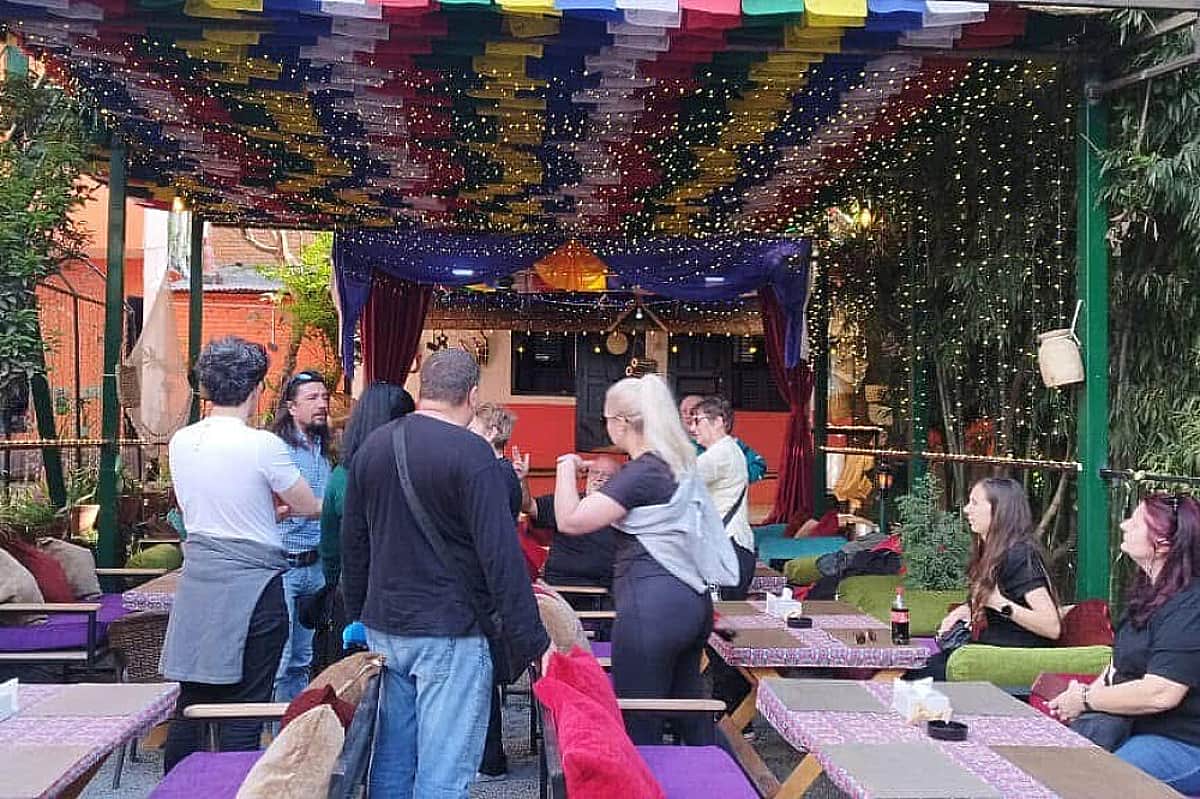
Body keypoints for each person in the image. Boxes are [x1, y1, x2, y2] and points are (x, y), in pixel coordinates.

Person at [341, 348, 549, 798]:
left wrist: (357, 612)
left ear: (423, 389)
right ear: (471, 395)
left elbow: (353, 544)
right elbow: (499, 555)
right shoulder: (472, 454)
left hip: (385, 625)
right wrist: (531, 638)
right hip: (451, 629)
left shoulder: (373, 446)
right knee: (444, 767)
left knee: (391, 761)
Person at [160, 336, 321, 772]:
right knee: (245, 707)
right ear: (256, 387)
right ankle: (234, 783)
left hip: (199, 584)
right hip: (255, 587)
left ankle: (180, 785)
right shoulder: (263, 445)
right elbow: (308, 505)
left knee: (193, 704)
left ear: (205, 388)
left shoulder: (181, 441)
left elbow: (211, 500)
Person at [554, 374, 738, 745]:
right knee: (690, 712)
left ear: (622, 423)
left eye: (607, 419)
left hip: (650, 610)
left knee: (640, 723)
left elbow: (570, 520)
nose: (606, 427)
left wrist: (564, 468)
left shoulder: (641, 472)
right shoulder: (675, 464)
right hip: (690, 603)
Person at [1049, 494, 1200, 793]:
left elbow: (1161, 693)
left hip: (1184, 742)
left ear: (1164, 543)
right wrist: (1083, 695)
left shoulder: (1191, 606)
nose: (1123, 525)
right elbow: (1118, 666)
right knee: (1056, 762)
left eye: (1136, 520)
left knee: (1095, 782)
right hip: (1132, 727)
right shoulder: (1147, 593)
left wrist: (1085, 700)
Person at [910, 477, 1062, 681]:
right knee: (912, 670)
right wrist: (964, 610)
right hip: (987, 653)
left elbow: (1051, 626)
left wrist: (1000, 604)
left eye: (974, 503)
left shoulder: (1018, 555)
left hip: (1009, 661)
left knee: (912, 678)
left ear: (999, 510)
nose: (966, 509)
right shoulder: (992, 553)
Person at [467, 401, 522, 780]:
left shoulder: (492, 475)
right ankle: (489, 754)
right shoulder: (508, 475)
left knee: (481, 673)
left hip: (484, 584)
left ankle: (490, 756)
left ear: (489, 431)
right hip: (494, 581)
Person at [270, 368, 333, 702]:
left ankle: (291, 736)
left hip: (315, 566)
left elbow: (308, 506)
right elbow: (305, 507)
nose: (322, 404)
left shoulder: (324, 448)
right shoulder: (279, 450)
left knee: (302, 660)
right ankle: (270, 739)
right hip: (284, 567)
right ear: (291, 407)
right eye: (312, 398)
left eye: (324, 397)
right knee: (279, 660)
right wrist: (332, 505)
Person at [319, 382, 415, 589]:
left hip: (356, 587)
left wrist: (332, 587)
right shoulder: (417, 472)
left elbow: (330, 546)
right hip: (409, 589)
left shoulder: (341, 476)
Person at [693, 396, 755, 600]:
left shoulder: (720, 453)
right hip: (732, 548)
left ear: (719, 421)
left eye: (697, 420)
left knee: (718, 619)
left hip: (726, 549)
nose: (693, 428)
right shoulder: (730, 450)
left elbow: (679, 481)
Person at [525, 456, 620, 589]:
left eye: (606, 475)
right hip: (560, 584)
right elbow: (528, 506)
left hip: (604, 589)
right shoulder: (567, 501)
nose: (598, 478)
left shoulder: (621, 511)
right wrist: (521, 479)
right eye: (595, 473)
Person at [679, 393, 767, 483]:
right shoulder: (678, 446)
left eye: (694, 413)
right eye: (684, 411)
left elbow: (758, 464)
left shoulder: (729, 446)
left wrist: (734, 479)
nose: (687, 416)